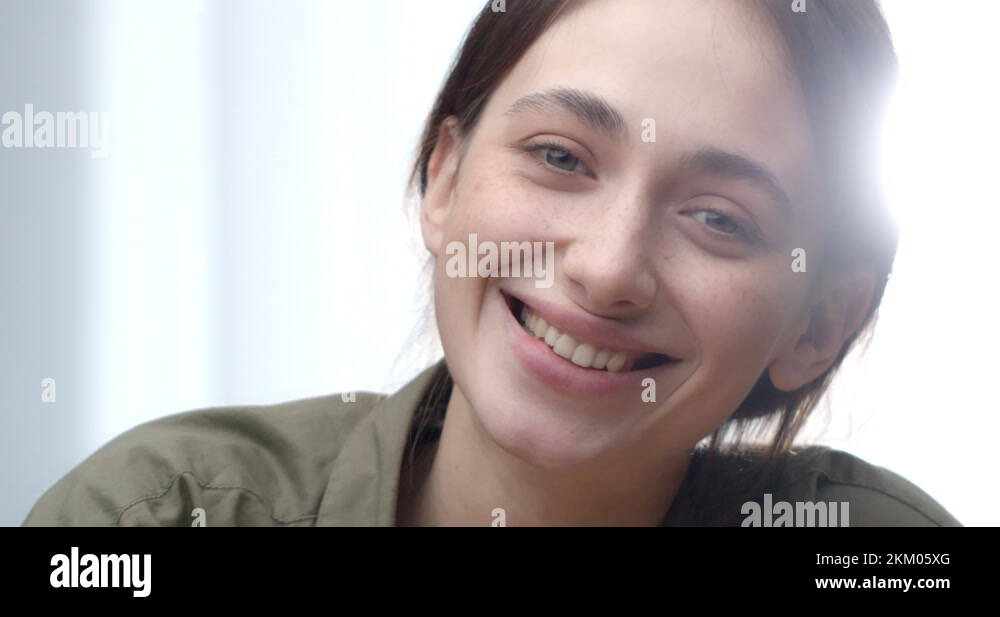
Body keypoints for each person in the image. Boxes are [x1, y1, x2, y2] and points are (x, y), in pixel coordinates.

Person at [23, 0, 960, 527]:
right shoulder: (153, 517)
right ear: (441, 179)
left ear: (818, 324)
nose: (606, 268)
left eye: (718, 217)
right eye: (559, 157)